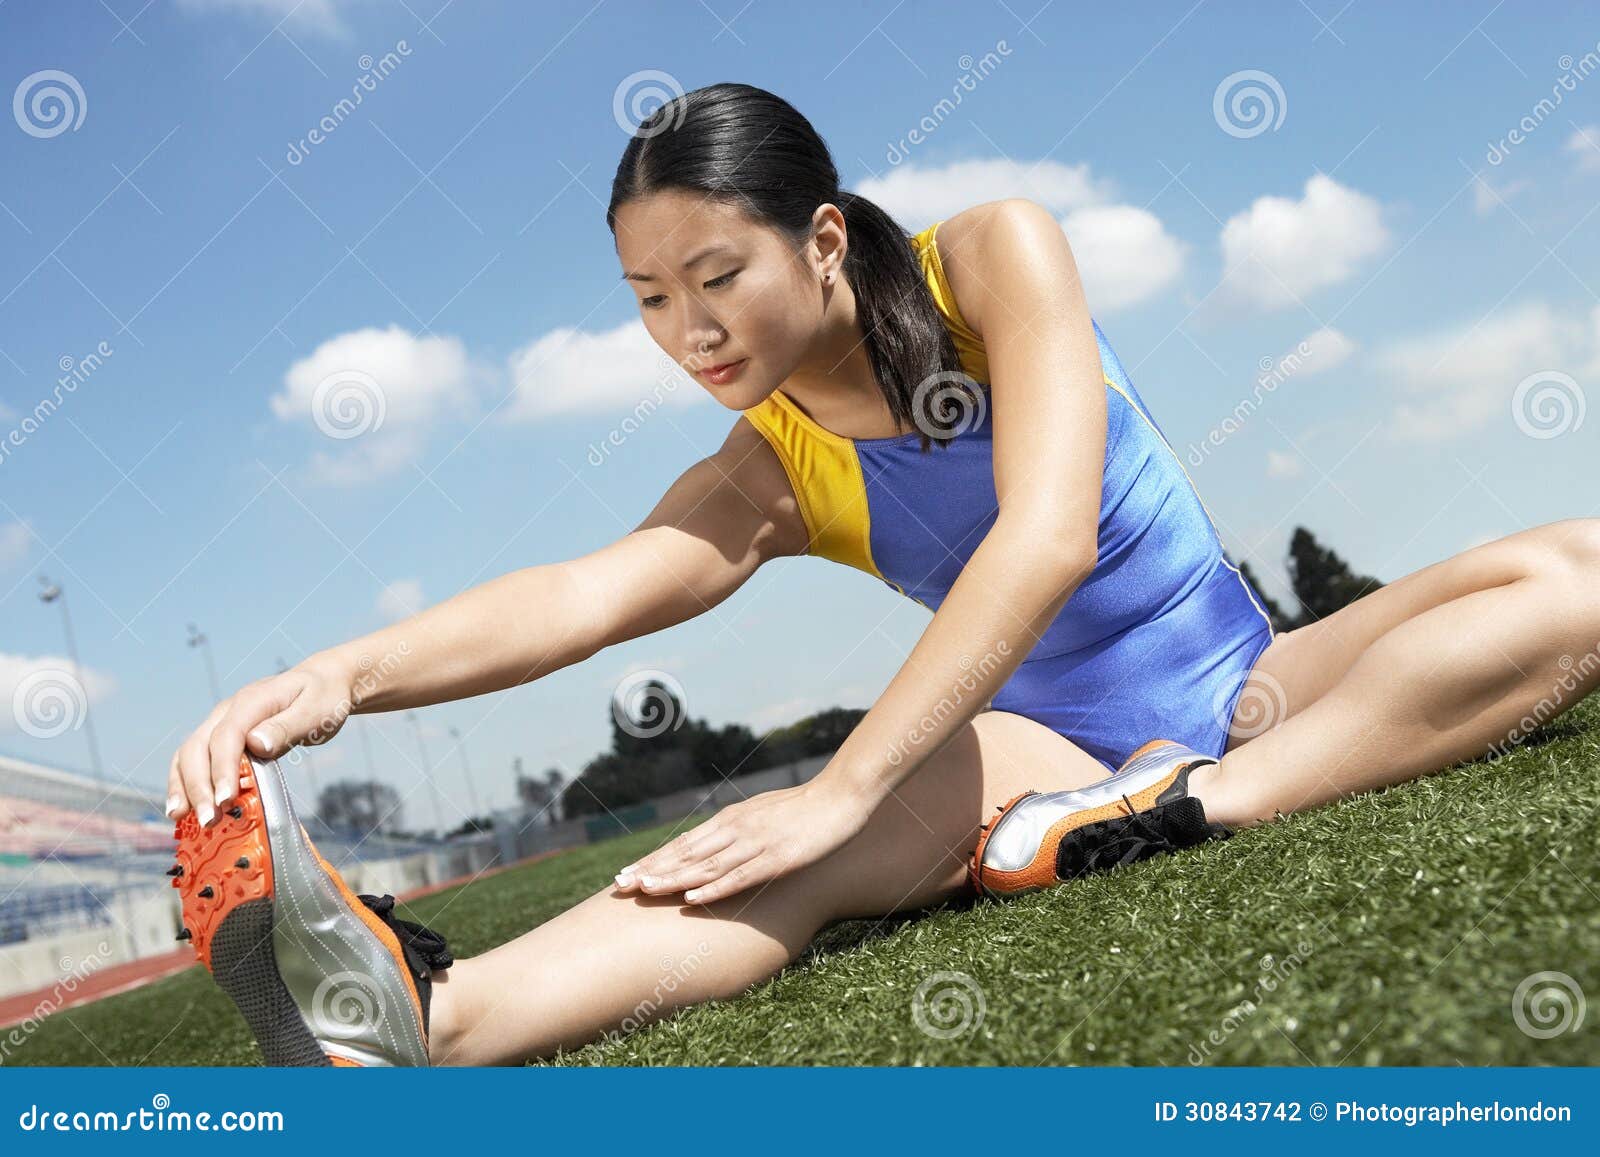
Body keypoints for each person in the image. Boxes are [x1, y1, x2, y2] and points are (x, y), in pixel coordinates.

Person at [164, 82, 1600, 1066]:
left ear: (824, 237)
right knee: (793, 862)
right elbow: (584, 594)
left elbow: (1047, 535)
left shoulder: (993, 256)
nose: (690, 331)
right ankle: (434, 1018)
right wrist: (340, 674)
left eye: (717, 276)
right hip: (1036, 750)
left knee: (1577, 580)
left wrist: (839, 775)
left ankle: (1190, 808)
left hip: (1255, 685)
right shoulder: (771, 466)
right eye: (651, 300)